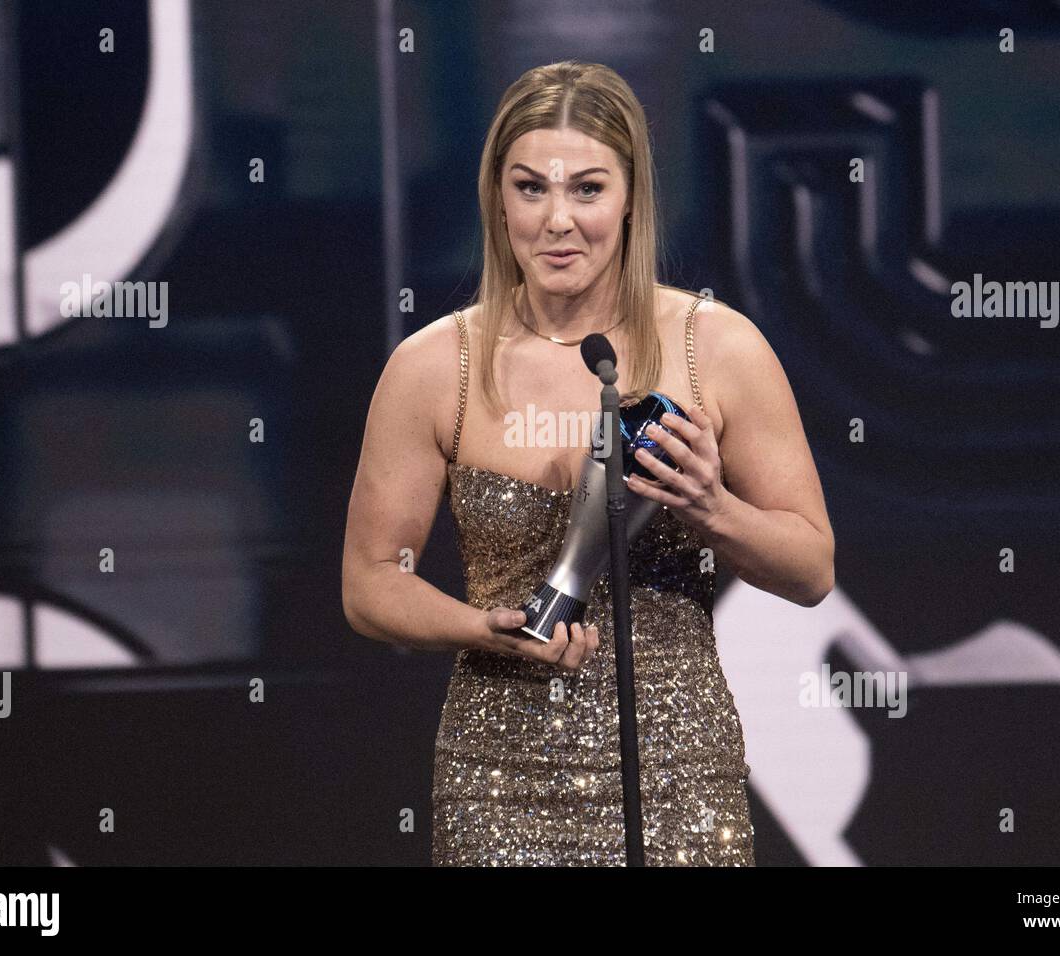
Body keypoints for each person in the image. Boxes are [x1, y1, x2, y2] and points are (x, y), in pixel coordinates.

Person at [342, 61, 834, 866]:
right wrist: (484, 629)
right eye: (531, 188)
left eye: (588, 190)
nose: (558, 220)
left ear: (633, 196)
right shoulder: (437, 366)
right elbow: (369, 584)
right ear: (498, 199)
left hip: (676, 776)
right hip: (496, 778)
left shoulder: (715, 348)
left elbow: (811, 568)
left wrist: (715, 511)